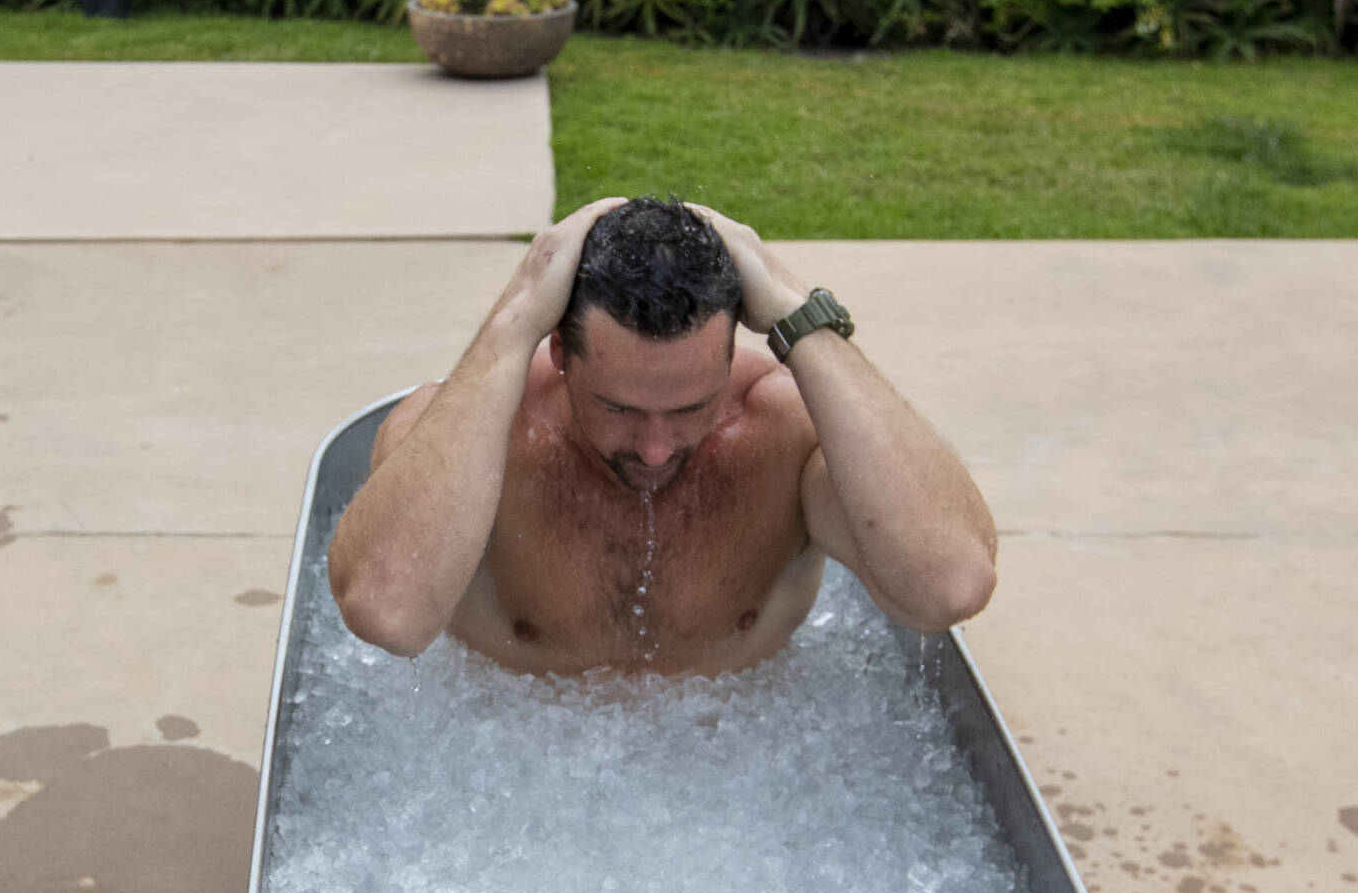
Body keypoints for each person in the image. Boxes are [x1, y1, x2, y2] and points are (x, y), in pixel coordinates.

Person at [329, 195, 997, 675]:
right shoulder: (467, 439)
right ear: (558, 352)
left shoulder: (784, 432)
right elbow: (390, 615)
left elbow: (949, 586)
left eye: (690, 408)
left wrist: (796, 311)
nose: (655, 447)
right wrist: (513, 322)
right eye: (618, 407)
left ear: (730, 358)